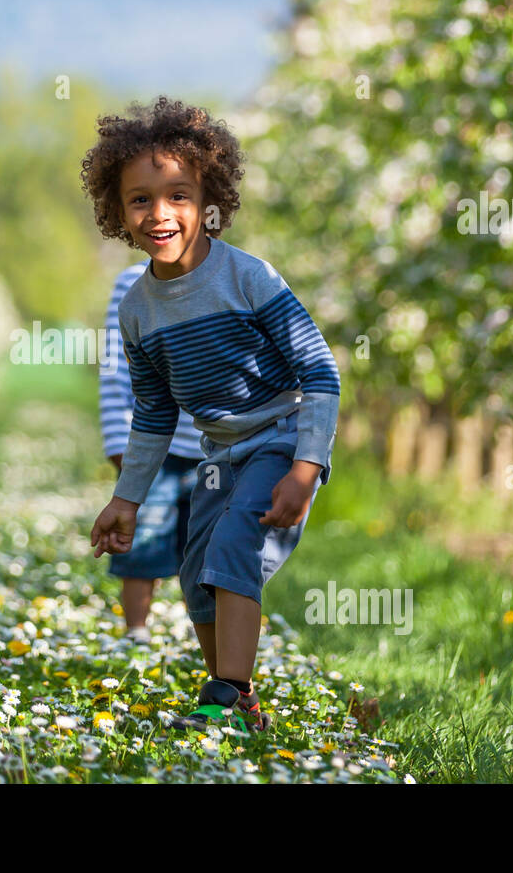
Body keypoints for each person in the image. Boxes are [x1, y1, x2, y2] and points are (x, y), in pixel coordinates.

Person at [80, 96, 340, 733]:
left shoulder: (249, 279)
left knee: (233, 549)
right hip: (219, 454)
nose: (159, 213)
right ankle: (238, 699)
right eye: (140, 199)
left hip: (279, 436)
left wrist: (306, 467)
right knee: (197, 577)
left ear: (210, 199)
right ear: (117, 212)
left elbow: (321, 372)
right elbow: (155, 411)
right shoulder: (138, 308)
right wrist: (128, 499)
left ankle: (222, 695)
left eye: (179, 195)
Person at [99, 262, 204, 643]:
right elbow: (115, 364)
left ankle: (208, 638)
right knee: (141, 538)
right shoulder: (131, 281)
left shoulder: (232, 276)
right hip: (149, 444)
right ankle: (136, 632)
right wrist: (117, 440)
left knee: (209, 549)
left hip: (215, 445)